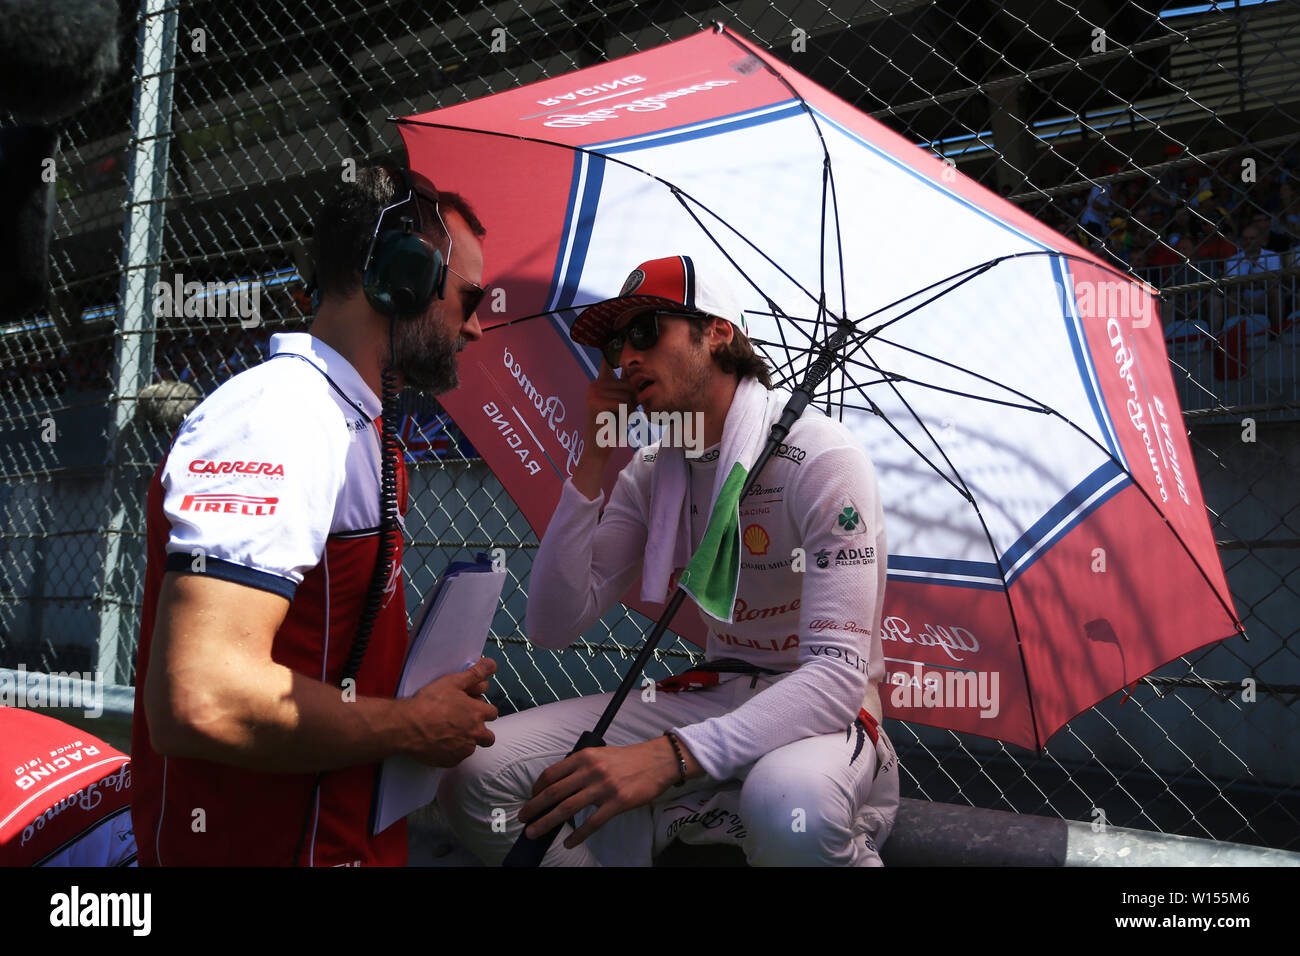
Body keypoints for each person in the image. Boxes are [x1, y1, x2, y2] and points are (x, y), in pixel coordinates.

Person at [439, 255, 899, 866]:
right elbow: (552, 624)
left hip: (821, 705)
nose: (626, 357)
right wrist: (594, 458)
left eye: (646, 330)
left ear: (717, 332)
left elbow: (837, 678)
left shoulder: (821, 457)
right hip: (718, 687)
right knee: (476, 775)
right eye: (614, 346)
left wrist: (670, 757)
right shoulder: (655, 468)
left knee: (787, 803)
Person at [130, 166, 498, 866]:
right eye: (470, 297)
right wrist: (411, 725)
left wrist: (419, 696)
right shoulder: (282, 418)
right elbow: (202, 698)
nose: (477, 327)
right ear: (403, 276)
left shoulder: (355, 425)